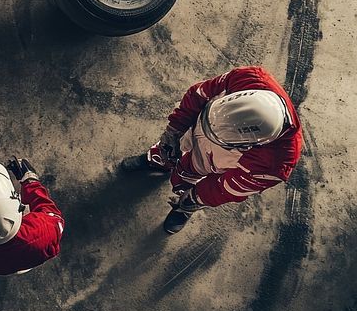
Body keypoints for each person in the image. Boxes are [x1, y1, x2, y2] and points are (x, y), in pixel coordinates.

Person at [120, 66, 303, 233]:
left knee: (192, 172)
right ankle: (160, 158)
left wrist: (195, 198)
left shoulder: (274, 164)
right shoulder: (247, 77)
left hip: (223, 157)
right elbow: (197, 96)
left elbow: (226, 188)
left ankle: (185, 206)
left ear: (249, 144)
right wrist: (173, 133)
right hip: (205, 123)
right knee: (176, 144)